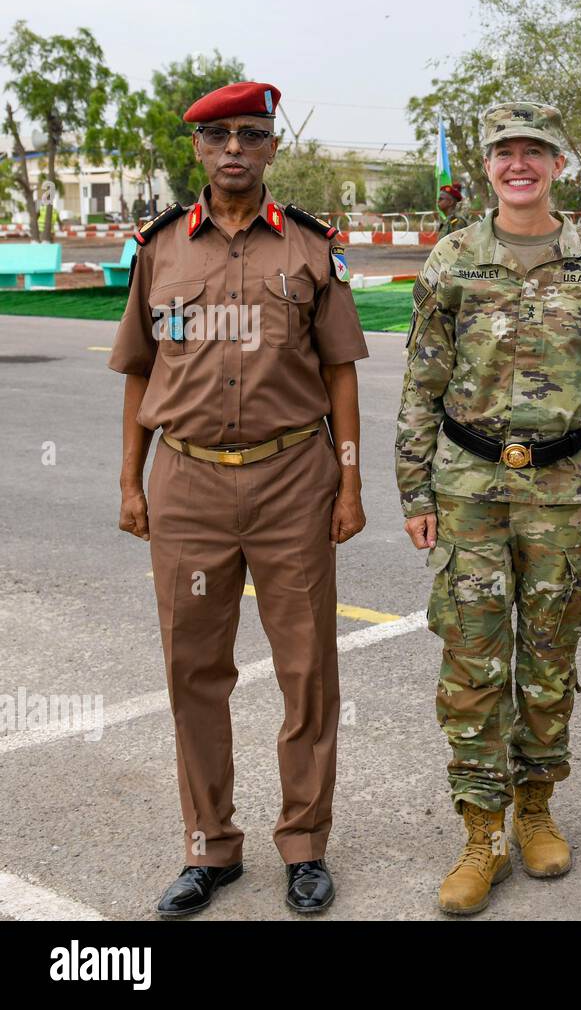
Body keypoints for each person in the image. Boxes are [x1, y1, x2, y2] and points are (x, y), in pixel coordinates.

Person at [109, 80, 369, 917]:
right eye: (218, 138)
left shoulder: (308, 247)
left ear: (271, 148)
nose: (233, 152)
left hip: (293, 478)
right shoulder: (160, 250)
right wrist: (129, 478)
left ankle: (305, 846)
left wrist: (351, 479)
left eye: (250, 136)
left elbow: (339, 372)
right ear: (197, 149)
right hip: (184, 482)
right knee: (193, 670)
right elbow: (140, 369)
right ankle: (208, 848)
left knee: (306, 671)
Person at [396, 101, 581, 915]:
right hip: (467, 490)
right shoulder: (452, 260)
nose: (520, 165)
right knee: (471, 665)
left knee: (549, 660)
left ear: (558, 163)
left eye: (535, 151)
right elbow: (422, 384)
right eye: (506, 151)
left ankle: (536, 813)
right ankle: (480, 834)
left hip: (563, 489)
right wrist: (414, 487)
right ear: (490, 162)